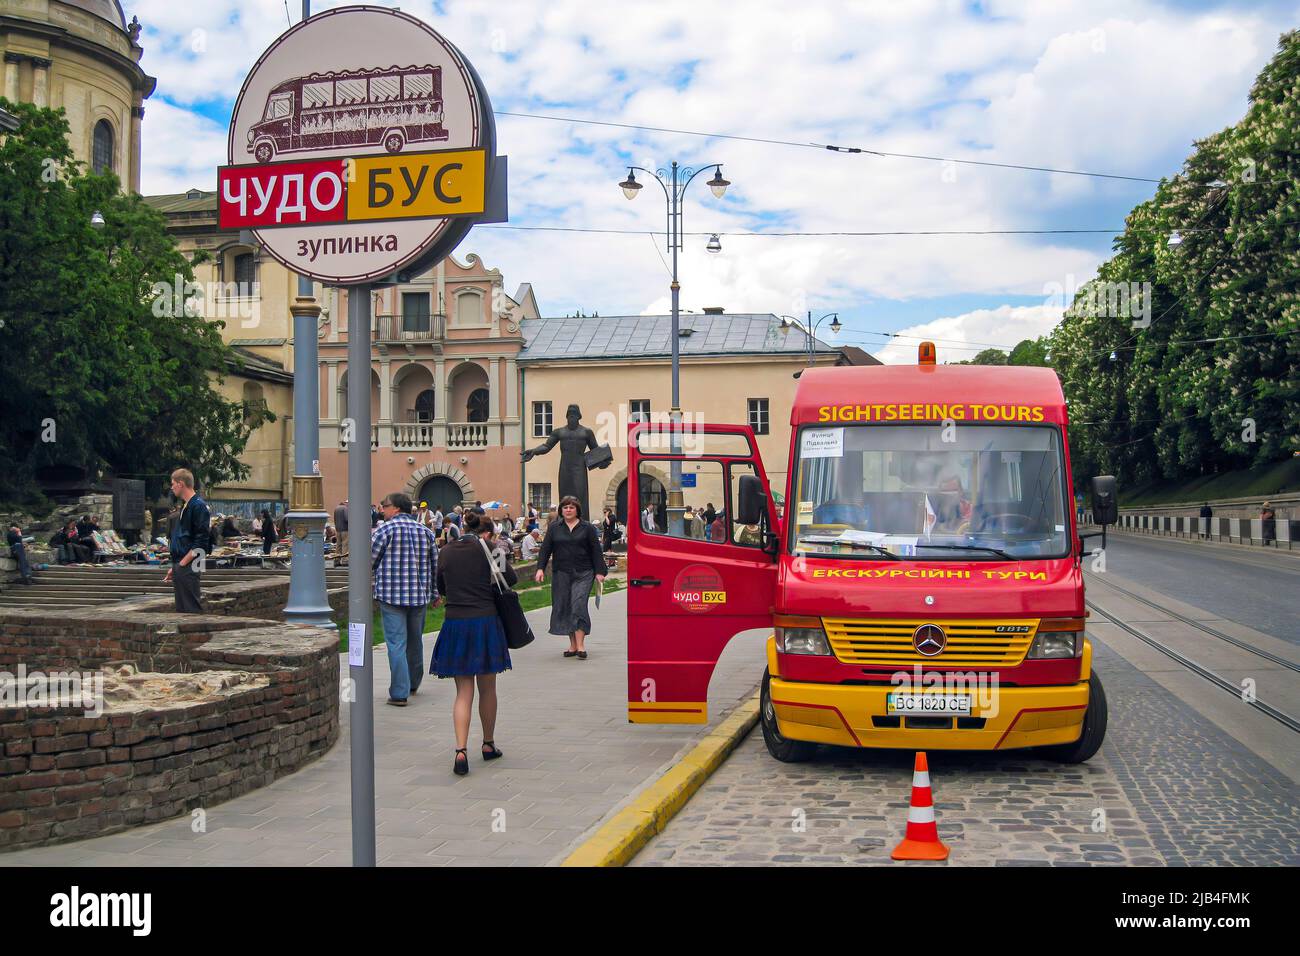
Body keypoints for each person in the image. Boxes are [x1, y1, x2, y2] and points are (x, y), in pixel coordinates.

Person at [431, 511, 512, 776]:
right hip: (485, 620)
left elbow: (440, 585)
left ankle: (461, 750)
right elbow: (509, 578)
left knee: (463, 691)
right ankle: (488, 744)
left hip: (456, 621)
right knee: (487, 687)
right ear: (483, 530)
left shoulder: (446, 551)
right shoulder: (490, 548)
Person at [371, 492, 440, 707]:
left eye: (385, 505)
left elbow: (370, 559)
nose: (382, 509)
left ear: (397, 508)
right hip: (418, 596)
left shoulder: (384, 530)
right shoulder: (425, 532)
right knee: (414, 641)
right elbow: (434, 566)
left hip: (391, 596)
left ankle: (400, 692)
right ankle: (413, 683)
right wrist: (435, 593)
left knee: (396, 643)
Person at [534, 495, 607, 660]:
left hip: (584, 572)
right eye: (565, 507)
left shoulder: (587, 528)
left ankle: (581, 646)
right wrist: (540, 569)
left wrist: (600, 572)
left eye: (571, 507)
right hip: (562, 573)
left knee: (578, 605)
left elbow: (596, 550)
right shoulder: (554, 528)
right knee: (565, 606)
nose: (568, 510)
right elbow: (545, 550)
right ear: (561, 510)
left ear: (577, 510)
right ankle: (572, 645)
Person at [164, 468, 210, 613]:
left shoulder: (198, 506)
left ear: (181, 484)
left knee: (191, 609)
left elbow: (202, 543)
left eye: (173, 484)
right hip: (184, 564)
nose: (171, 487)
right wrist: (177, 565)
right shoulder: (187, 505)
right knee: (183, 609)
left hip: (189, 564)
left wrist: (182, 564)